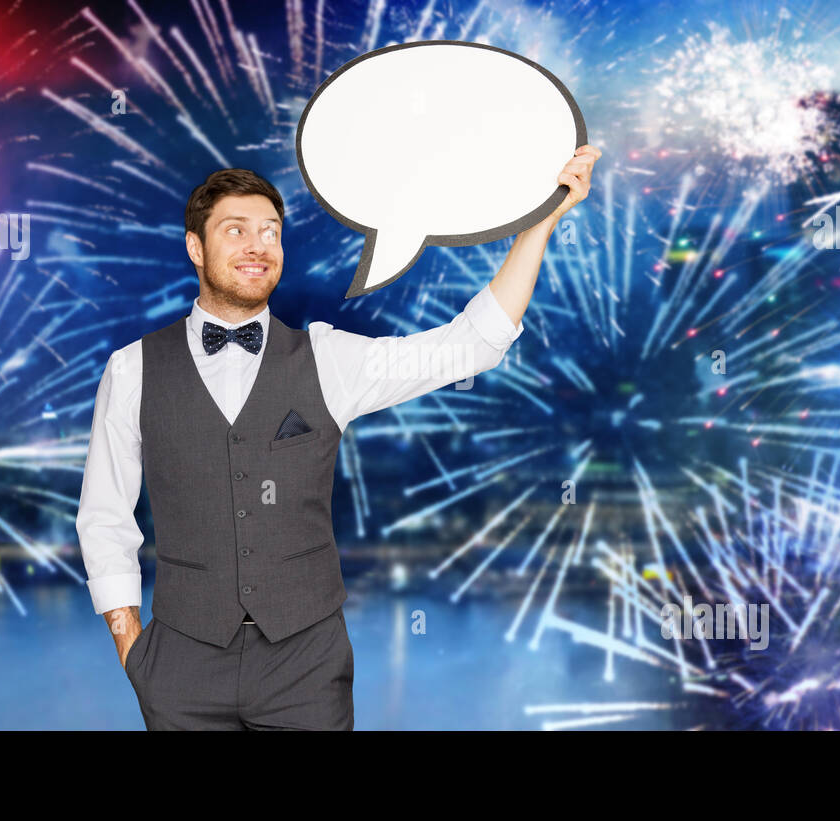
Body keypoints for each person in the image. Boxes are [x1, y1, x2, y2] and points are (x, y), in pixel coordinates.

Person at [76, 145, 602, 730]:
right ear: (195, 248)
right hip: (180, 663)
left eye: (271, 232)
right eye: (236, 230)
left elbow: (470, 346)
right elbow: (104, 515)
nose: (258, 246)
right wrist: (133, 648)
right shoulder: (132, 369)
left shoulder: (327, 357)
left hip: (306, 665)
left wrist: (542, 221)